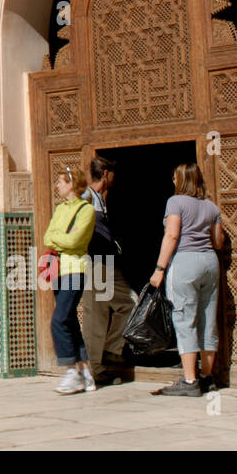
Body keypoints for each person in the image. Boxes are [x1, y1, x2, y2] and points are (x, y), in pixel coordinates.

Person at [150, 162, 225, 396]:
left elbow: (172, 234)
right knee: (207, 319)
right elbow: (218, 242)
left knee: (184, 319)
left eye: (174, 177)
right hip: (210, 263)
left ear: (182, 180)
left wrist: (159, 268)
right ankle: (207, 377)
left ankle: (190, 381)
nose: (173, 181)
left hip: (184, 262)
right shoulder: (211, 207)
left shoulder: (175, 202)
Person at [82, 156, 137, 384]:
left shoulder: (100, 199)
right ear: (106, 174)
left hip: (103, 263)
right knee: (105, 311)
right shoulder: (86, 197)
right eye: (112, 173)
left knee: (116, 307)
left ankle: (105, 357)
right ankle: (100, 363)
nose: (114, 178)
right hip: (96, 262)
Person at [43, 166, 97, 394]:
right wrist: (59, 238)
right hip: (59, 270)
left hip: (76, 269)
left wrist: (58, 238)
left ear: (72, 184)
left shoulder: (86, 211)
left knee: (59, 320)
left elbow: (75, 241)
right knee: (70, 321)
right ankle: (85, 373)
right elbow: (48, 236)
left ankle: (70, 371)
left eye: (61, 182)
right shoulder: (60, 209)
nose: (57, 186)